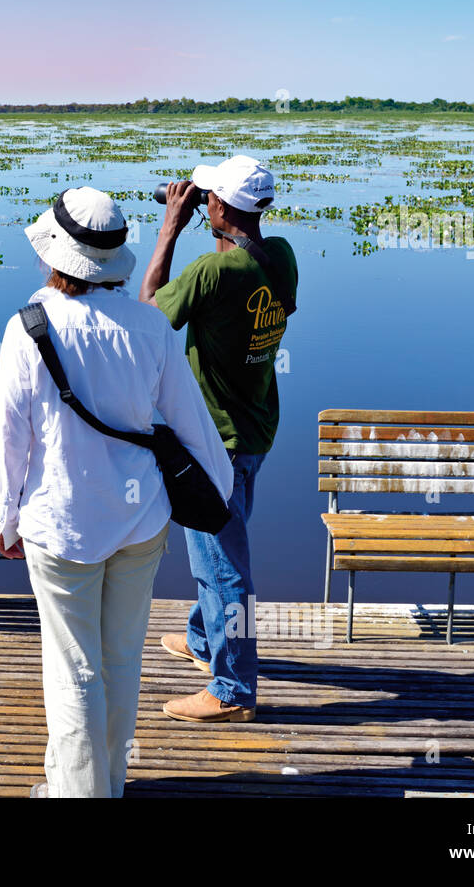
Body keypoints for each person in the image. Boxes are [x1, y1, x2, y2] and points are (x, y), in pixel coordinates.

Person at [0, 186, 232, 797]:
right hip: (141, 524)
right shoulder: (150, 326)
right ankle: (107, 786)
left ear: (57, 256)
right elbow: (193, 426)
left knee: (73, 675)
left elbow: (8, 437)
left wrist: (3, 519)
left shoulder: (28, 328)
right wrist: (215, 496)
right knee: (121, 665)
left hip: (61, 527)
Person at [139, 155, 298, 724]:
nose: (200, 200)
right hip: (256, 429)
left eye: (207, 196)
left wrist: (167, 230)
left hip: (216, 443)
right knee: (224, 547)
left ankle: (233, 689)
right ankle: (205, 640)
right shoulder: (281, 256)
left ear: (223, 207)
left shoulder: (213, 272)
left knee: (222, 568)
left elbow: (146, 316)